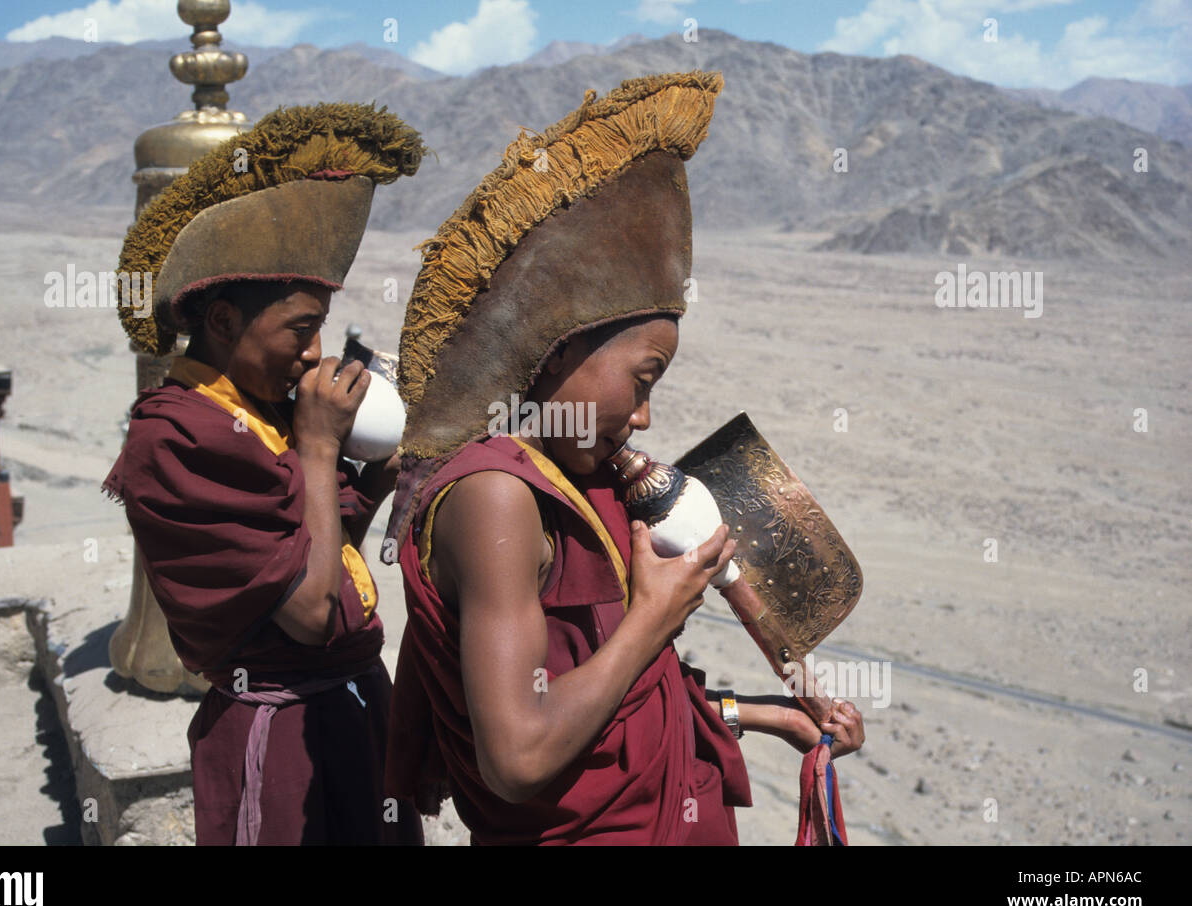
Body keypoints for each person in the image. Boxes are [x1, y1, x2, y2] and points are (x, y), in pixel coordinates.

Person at [382, 73, 863, 845]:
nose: (645, 415)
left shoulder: (590, 482)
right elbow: (519, 751)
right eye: (643, 381)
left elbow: (625, 692)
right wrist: (652, 618)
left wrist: (772, 715)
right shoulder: (495, 499)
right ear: (561, 344)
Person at [101, 103, 425, 845]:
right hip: (279, 738)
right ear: (221, 323)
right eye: (300, 331)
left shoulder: (263, 403)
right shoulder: (179, 435)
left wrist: (370, 480)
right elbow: (310, 614)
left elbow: (321, 548)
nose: (315, 356)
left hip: (351, 714)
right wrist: (315, 450)